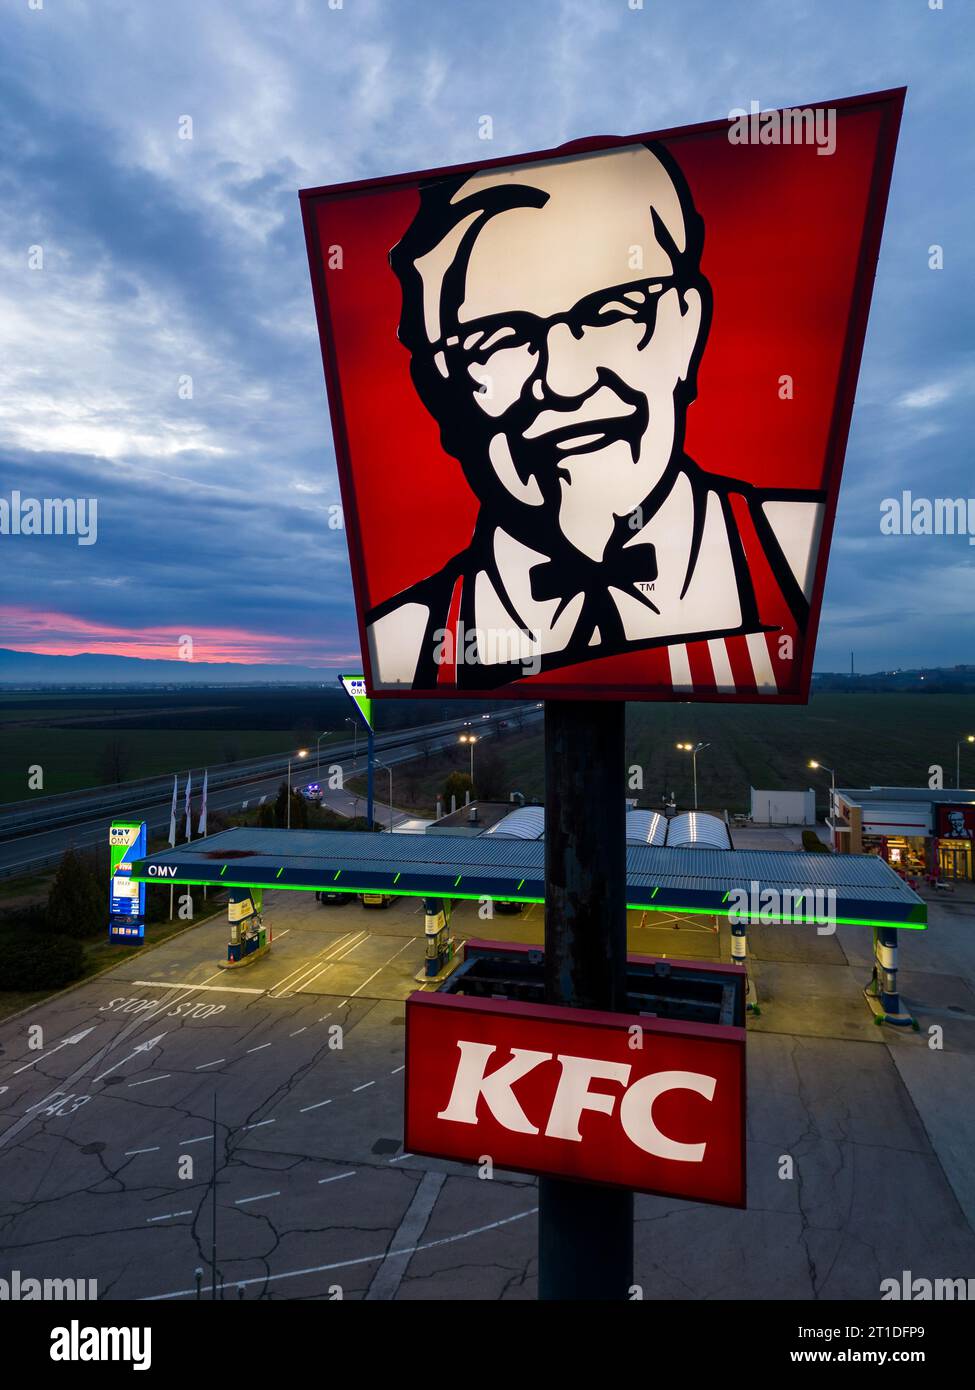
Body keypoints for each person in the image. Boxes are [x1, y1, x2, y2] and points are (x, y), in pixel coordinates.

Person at [367, 142, 825, 693]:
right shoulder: (404, 639)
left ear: (687, 329)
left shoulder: (796, 554)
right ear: (442, 387)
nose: (564, 381)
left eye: (613, 312)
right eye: (499, 338)